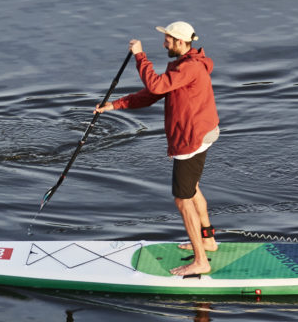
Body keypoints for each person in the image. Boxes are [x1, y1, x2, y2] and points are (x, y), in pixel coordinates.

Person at [94, 21, 220, 277]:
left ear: (181, 42)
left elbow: (156, 86)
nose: (164, 44)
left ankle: (201, 261)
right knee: (191, 187)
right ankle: (207, 240)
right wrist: (115, 105)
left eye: (168, 40)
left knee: (182, 198)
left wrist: (140, 56)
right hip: (203, 131)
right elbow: (154, 93)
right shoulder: (184, 64)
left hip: (191, 138)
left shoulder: (189, 67)